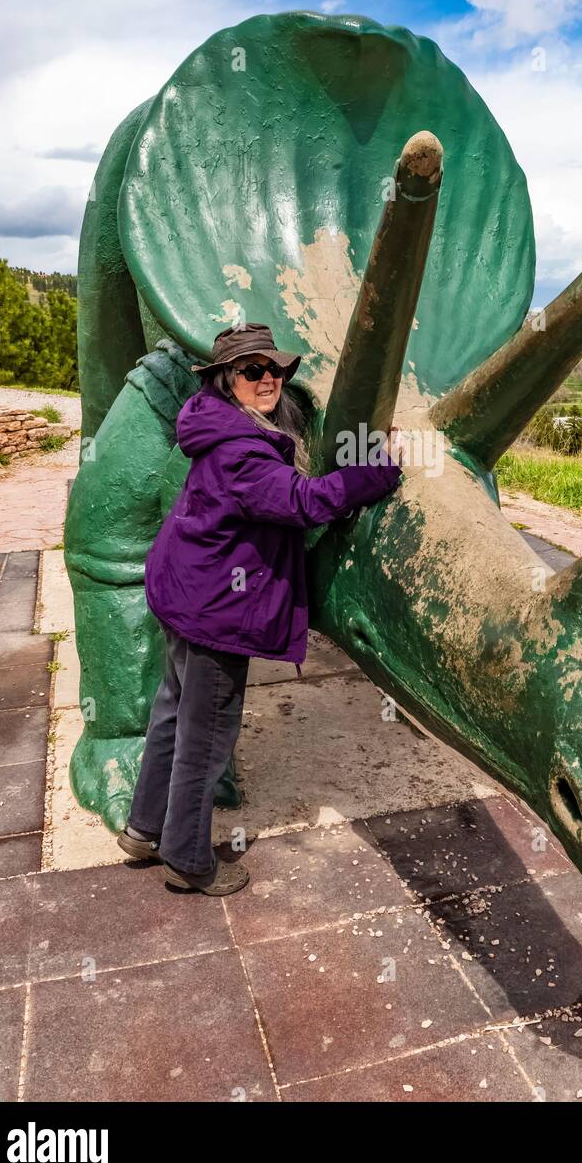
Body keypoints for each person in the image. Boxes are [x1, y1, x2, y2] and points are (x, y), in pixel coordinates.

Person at [116, 322, 403, 895]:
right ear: (226, 381)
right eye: (252, 370)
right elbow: (305, 501)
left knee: (174, 714)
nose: (268, 377)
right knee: (207, 736)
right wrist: (381, 469)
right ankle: (188, 859)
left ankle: (144, 830)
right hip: (217, 610)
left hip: (188, 594)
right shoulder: (241, 449)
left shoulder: (219, 426)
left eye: (275, 368)